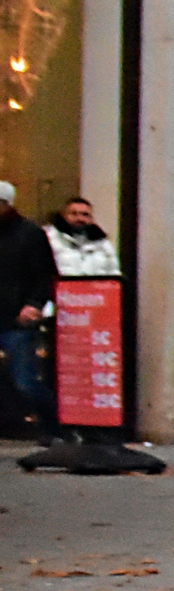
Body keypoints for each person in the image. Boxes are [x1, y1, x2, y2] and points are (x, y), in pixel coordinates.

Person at [0, 179, 57, 438]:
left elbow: (45, 274)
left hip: (17, 318)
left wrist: (34, 304)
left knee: (25, 381)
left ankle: (52, 424)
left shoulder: (30, 234)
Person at [43, 196, 119, 278]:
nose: (80, 218)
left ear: (91, 218)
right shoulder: (48, 238)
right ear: (63, 215)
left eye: (85, 215)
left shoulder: (103, 243)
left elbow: (114, 273)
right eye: (73, 214)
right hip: (62, 289)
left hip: (95, 290)